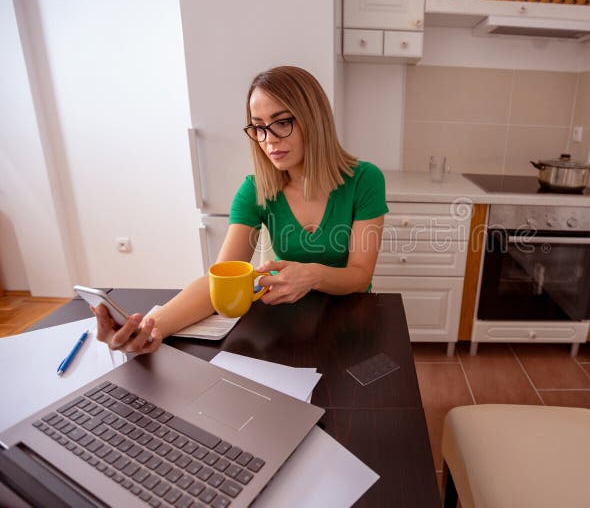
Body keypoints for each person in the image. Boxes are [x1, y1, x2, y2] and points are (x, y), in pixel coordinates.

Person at [93, 66, 388, 353]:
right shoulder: (255, 190)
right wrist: (149, 329)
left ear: (314, 119)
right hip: (289, 322)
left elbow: (360, 275)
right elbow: (219, 280)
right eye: (259, 127)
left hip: (350, 316)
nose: (269, 139)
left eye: (282, 122)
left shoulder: (365, 179)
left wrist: (312, 275)